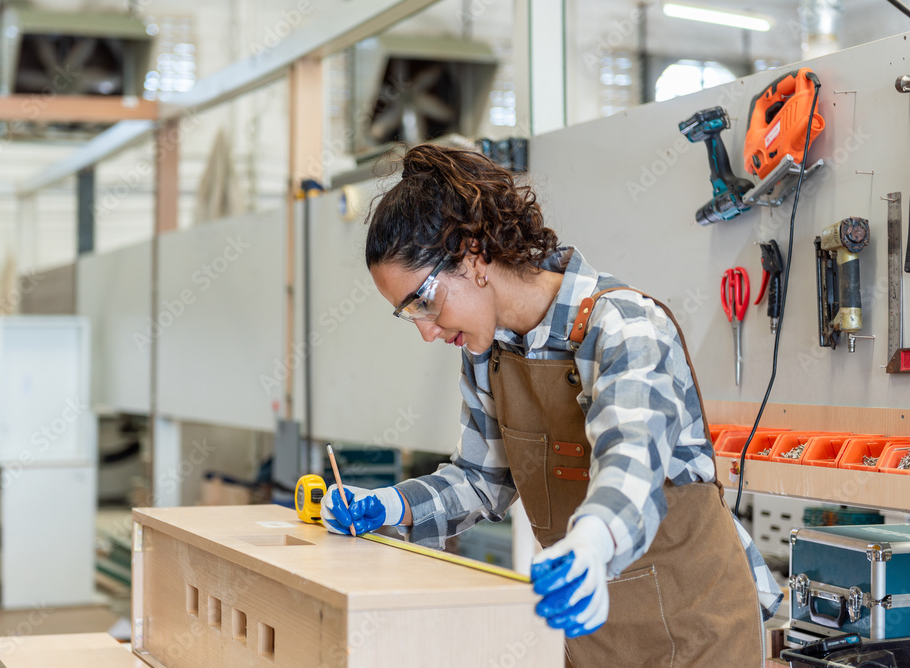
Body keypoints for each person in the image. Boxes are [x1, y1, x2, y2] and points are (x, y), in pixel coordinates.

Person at [321, 143, 782, 666]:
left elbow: (632, 463)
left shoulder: (624, 326)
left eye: (424, 301)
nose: (426, 331)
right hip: (594, 638)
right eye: (408, 314)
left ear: (472, 253)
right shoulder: (488, 352)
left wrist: (590, 544)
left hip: (701, 630)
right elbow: (482, 479)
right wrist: (391, 506)